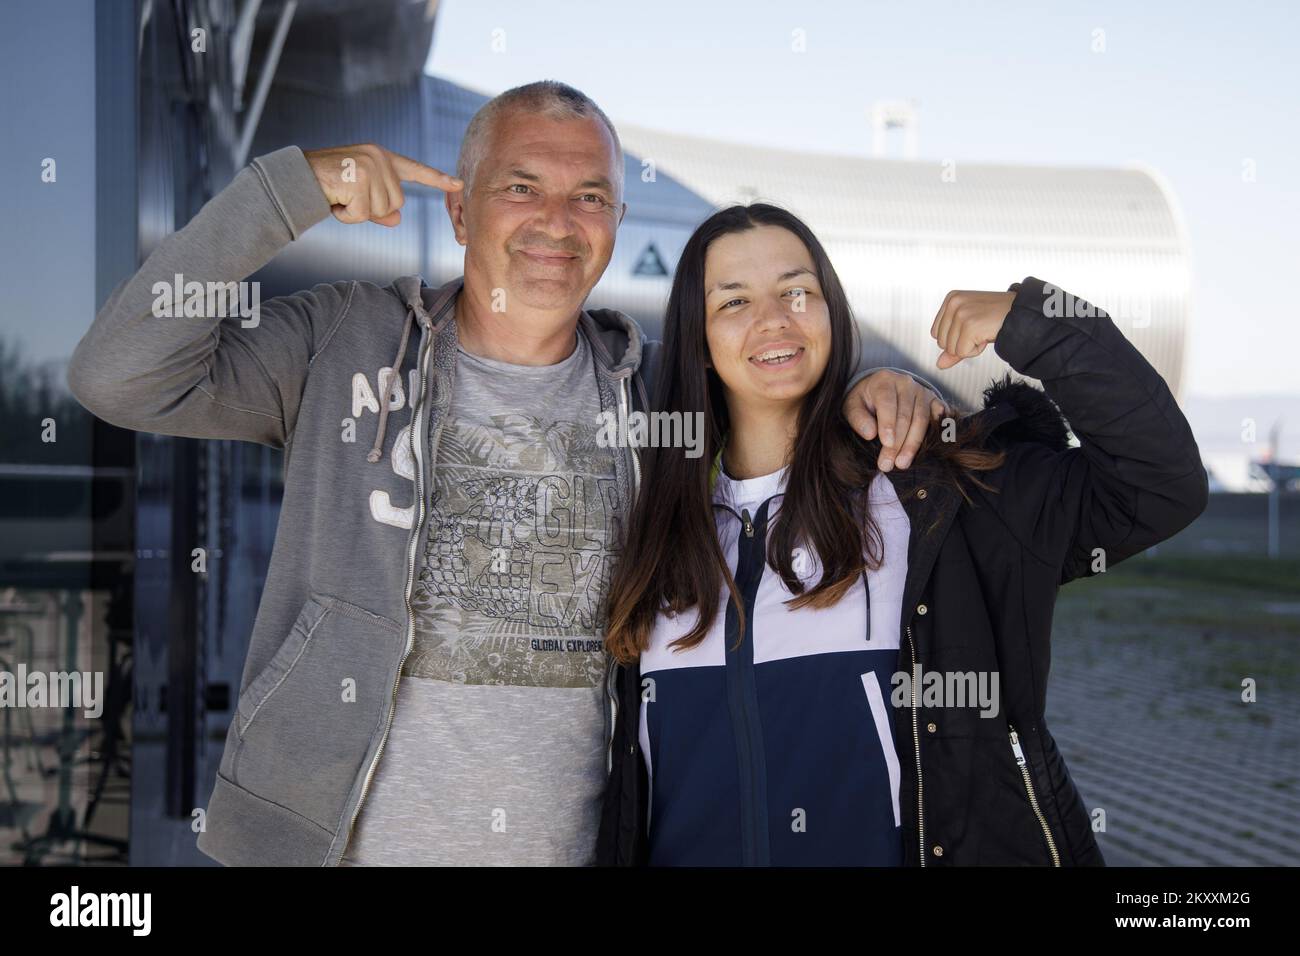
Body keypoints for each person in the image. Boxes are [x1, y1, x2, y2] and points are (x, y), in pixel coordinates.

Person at [66, 81, 943, 866]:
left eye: (590, 196)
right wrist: (288, 189)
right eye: (523, 186)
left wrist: (886, 386)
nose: (557, 221)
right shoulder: (345, 343)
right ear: (460, 209)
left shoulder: (658, 388)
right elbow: (118, 374)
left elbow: (780, 368)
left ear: (615, 224)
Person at [597, 203, 1209, 866]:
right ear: (700, 342)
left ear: (833, 312)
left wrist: (1032, 320)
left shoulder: (937, 493)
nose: (774, 319)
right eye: (734, 301)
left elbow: (1157, 486)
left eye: (797, 291)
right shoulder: (656, 528)